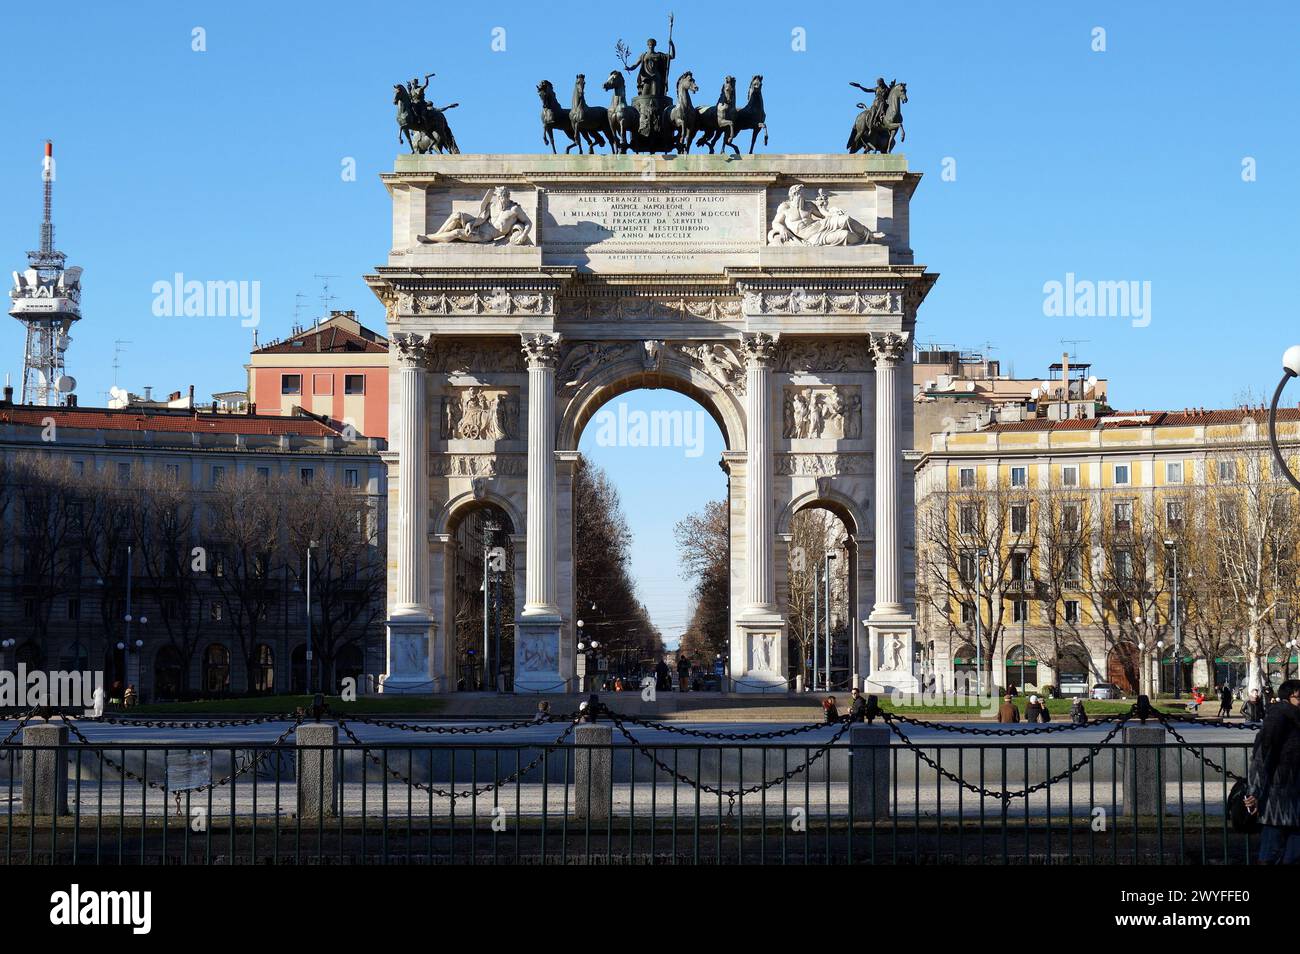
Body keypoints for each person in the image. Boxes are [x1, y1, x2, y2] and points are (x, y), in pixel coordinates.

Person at [1244, 679, 1300, 864]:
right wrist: (1254, 792)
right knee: (1271, 853)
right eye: (1299, 697)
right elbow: (1261, 757)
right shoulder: (1278, 719)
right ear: (1288, 697)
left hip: (1291, 796)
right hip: (1277, 799)